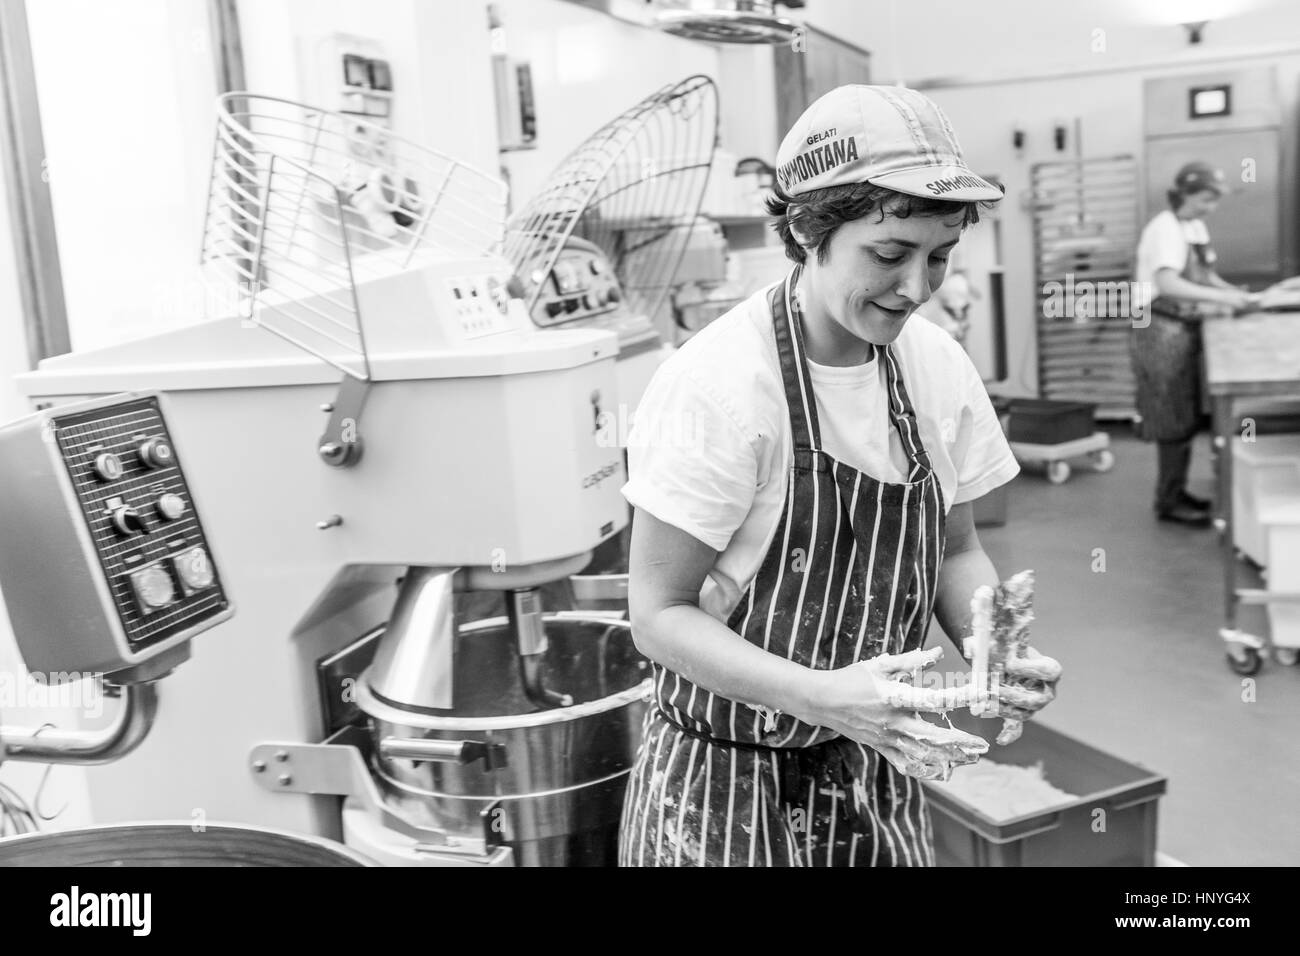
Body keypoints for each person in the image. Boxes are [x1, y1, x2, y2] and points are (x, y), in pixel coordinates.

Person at [617, 85, 1061, 868]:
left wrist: (986, 650)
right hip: (724, 786)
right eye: (889, 256)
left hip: (876, 770)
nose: (919, 289)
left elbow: (956, 552)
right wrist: (822, 697)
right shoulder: (719, 387)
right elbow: (658, 614)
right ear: (805, 230)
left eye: (939, 257)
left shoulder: (936, 369)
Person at [1130, 161, 1262, 527]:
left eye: (1215, 200)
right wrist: (1222, 301)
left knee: (1184, 413)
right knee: (1171, 415)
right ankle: (1168, 501)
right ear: (1185, 194)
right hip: (1159, 329)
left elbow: (1205, 274)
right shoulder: (1165, 229)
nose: (1210, 207)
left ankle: (1177, 491)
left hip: (1182, 328)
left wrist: (1236, 294)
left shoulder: (1193, 226)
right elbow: (1169, 284)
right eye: (1206, 198)